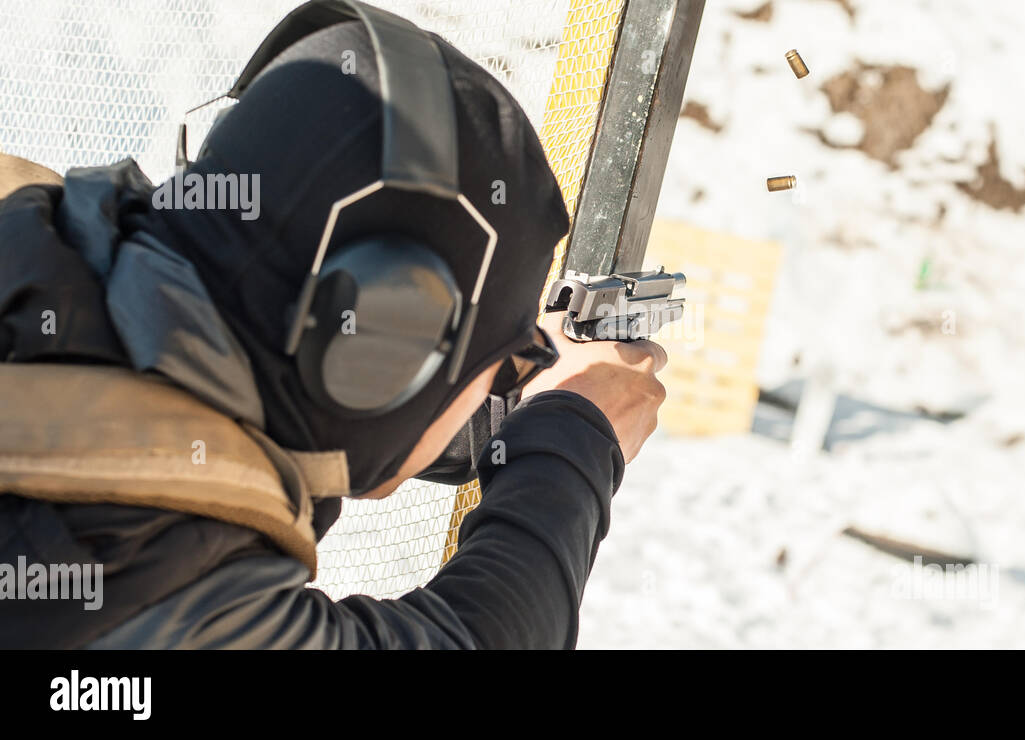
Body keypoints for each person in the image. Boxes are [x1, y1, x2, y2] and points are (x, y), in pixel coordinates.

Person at [0, 5, 666, 648]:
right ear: (379, 365)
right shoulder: (134, 581)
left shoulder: (36, 241)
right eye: (507, 361)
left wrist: (492, 396)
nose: (513, 373)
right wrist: (569, 437)